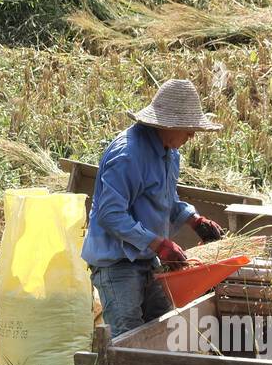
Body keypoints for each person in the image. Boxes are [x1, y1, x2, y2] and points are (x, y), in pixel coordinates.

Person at [81, 79, 227, 339]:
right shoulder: (127, 154)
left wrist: (194, 219)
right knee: (128, 342)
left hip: (147, 261)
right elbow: (110, 215)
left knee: (161, 331)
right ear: (167, 124)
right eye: (188, 129)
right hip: (118, 264)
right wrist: (158, 244)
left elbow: (166, 199)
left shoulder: (170, 153)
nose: (192, 135)